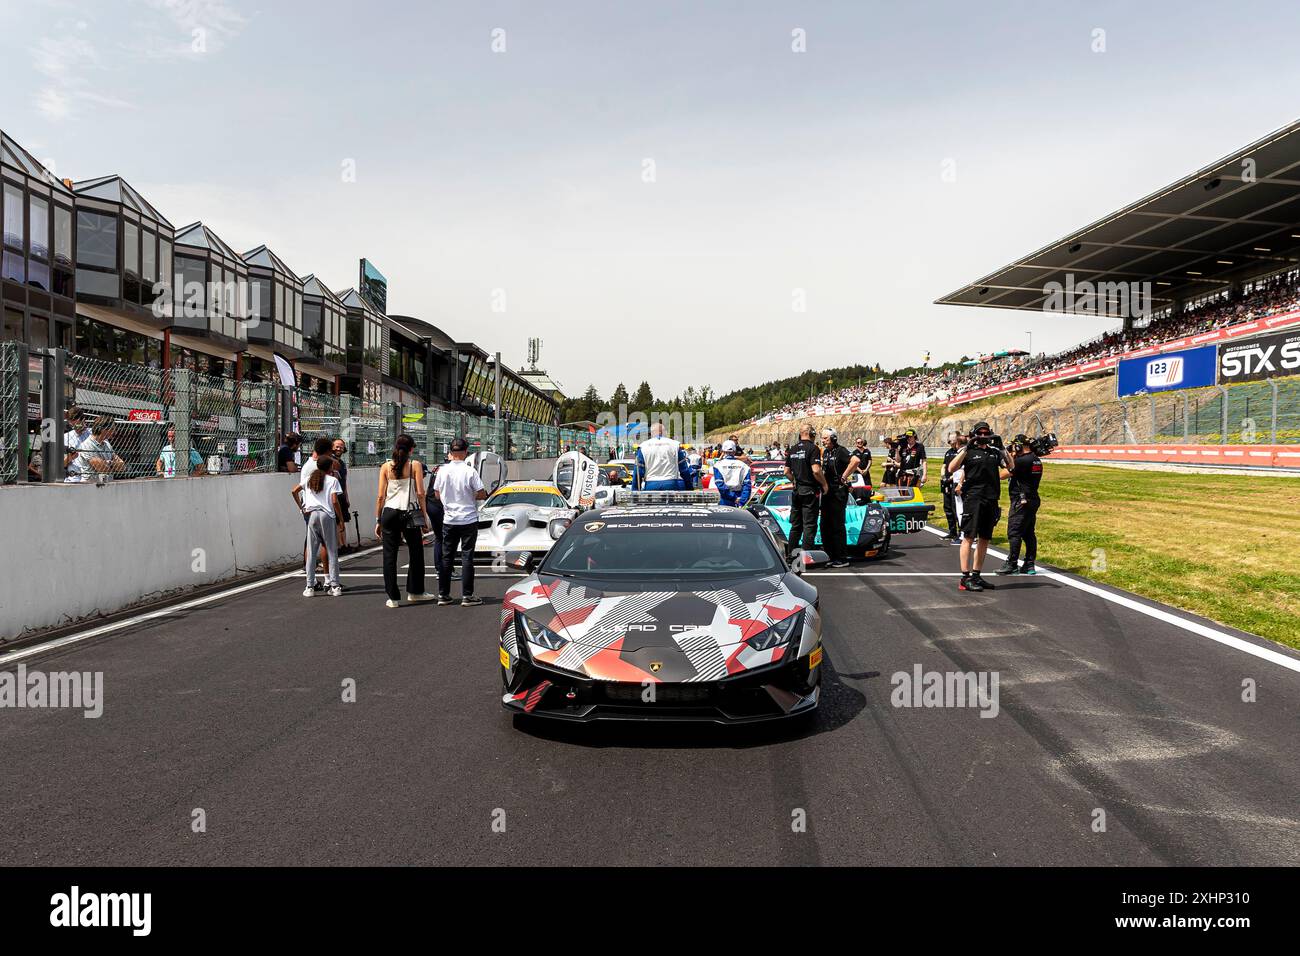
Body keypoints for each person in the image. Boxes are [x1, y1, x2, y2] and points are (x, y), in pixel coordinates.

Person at [947, 422, 1010, 592]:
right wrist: (967, 447)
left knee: (984, 538)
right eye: (979, 433)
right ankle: (965, 577)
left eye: (986, 433)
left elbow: (1011, 467)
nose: (983, 436)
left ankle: (976, 574)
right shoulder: (968, 452)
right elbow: (951, 468)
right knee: (969, 537)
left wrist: (1002, 448)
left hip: (991, 499)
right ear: (973, 434)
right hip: (973, 499)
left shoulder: (994, 452)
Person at [376, 433, 434, 608]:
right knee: (416, 552)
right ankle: (415, 592)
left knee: (389, 555)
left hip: (389, 512)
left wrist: (378, 519)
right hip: (409, 512)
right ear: (411, 449)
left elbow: (380, 496)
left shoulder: (386, 467)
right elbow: (421, 493)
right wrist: (424, 517)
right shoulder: (414, 465)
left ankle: (393, 597)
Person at [433, 437, 487, 606]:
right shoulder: (470, 471)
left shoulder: (442, 470)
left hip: (449, 519)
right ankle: (467, 595)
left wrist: (448, 503)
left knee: (447, 557)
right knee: (467, 556)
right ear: (465, 452)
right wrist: (470, 496)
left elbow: (436, 493)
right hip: (468, 518)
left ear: (451, 452)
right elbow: (482, 493)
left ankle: (443, 594)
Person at [294, 455, 344, 597]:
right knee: (331, 550)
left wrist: (301, 507)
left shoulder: (310, 478)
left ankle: (310, 586)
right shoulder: (332, 480)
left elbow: (294, 490)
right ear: (330, 467)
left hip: (312, 515)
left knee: (311, 551)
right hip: (327, 515)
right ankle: (334, 585)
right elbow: (334, 501)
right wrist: (340, 519)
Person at [997, 434, 1043, 575]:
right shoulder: (1036, 460)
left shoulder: (1021, 461)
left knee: (1014, 532)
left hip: (1021, 500)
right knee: (1029, 532)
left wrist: (1011, 457)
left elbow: (1002, 475)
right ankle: (1029, 564)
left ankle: (1012, 563)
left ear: (1018, 446)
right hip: (1033, 498)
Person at [783, 424, 827, 559]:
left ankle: (790, 555)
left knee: (796, 525)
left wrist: (794, 481)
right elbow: (816, 470)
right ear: (811, 433)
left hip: (796, 491)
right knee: (809, 525)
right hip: (809, 491)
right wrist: (824, 484)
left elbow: (786, 472)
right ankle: (806, 557)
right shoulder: (813, 448)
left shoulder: (793, 449)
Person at [819, 427, 852, 568]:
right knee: (825, 524)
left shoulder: (841, 451)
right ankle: (829, 555)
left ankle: (841, 557)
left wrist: (844, 477)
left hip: (838, 492)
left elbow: (855, 460)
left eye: (825, 438)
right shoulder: (826, 452)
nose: (823, 440)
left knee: (837, 525)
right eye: (822, 438)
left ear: (833, 438)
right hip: (827, 493)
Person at [633, 422, 692, 490]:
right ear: (662, 432)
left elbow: (638, 471)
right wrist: (689, 487)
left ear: (652, 432)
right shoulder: (675, 445)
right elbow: (684, 470)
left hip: (651, 484)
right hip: (671, 483)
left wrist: (635, 490)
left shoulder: (643, 446)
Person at [75, 417, 126, 482]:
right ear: (103, 429)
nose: (115, 431)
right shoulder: (87, 445)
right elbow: (103, 469)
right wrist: (113, 465)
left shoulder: (107, 443)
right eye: (112, 429)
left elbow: (122, 466)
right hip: (90, 485)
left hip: (107, 484)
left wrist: (109, 463)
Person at [939, 431, 965, 544]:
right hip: (947, 483)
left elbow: (961, 469)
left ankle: (961, 532)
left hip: (956, 482)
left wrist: (951, 478)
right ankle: (952, 531)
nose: (950, 442)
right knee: (947, 507)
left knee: (957, 509)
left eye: (952, 440)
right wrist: (943, 475)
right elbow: (944, 465)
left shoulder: (961, 452)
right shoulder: (948, 452)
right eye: (949, 440)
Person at [711, 440, 752, 507]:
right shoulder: (744, 466)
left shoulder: (717, 465)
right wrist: (742, 501)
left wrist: (733, 497)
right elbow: (747, 485)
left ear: (723, 451)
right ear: (735, 451)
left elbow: (720, 485)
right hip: (740, 496)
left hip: (725, 498)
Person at [331, 438, 351, 552]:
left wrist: (347, 497)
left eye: (341, 447)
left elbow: (345, 482)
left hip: (342, 495)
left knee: (343, 520)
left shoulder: (342, 463)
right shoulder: (331, 461)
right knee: (338, 521)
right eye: (337, 446)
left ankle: (344, 544)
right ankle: (340, 546)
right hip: (334, 495)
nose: (339, 448)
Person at [62, 406, 92, 482]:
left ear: (83, 420)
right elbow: (61, 465)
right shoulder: (66, 437)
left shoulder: (93, 434)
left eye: (77, 424)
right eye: (72, 426)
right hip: (73, 478)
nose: (75, 428)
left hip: (91, 476)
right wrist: (70, 458)